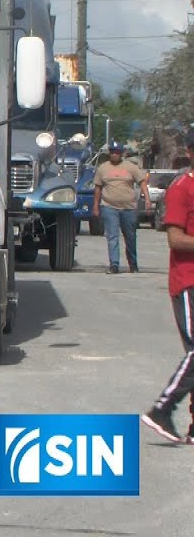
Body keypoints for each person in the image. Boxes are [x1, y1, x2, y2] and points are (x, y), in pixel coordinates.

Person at [141, 127, 194, 444]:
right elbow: (175, 239)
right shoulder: (182, 189)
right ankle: (162, 408)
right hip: (188, 281)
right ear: (190, 152)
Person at [92, 142, 151, 273]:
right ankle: (114, 265)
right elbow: (98, 188)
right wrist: (95, 206)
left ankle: (133, 264)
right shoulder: (103, 168)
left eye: (117, 152)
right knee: (112, 236)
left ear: (122, 153)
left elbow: (142, 182)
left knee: (130, 237)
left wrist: (147, 199)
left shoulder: (130, 167)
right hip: (109, 206)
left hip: (128, 208)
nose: (114, 154)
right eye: (112, 152)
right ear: (109, 153)